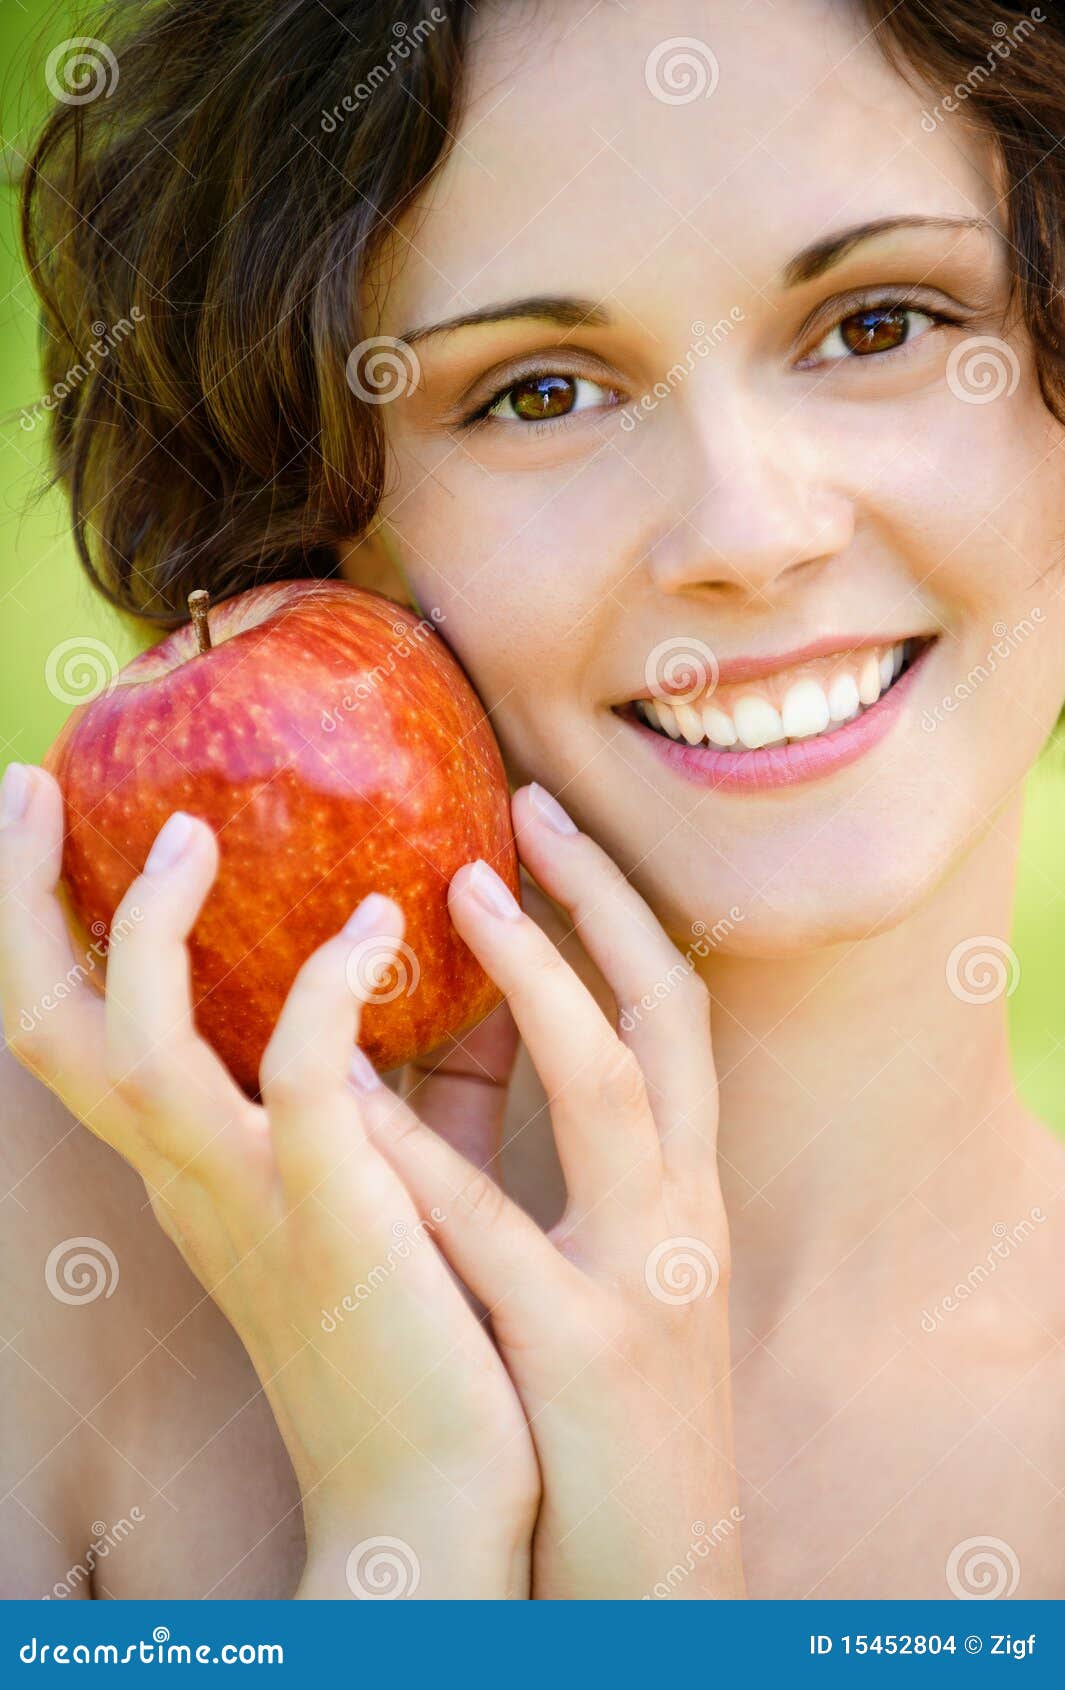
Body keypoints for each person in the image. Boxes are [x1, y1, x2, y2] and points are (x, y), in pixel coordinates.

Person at [2, 0, 1063, 1599]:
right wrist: (407, 1532)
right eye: (540, 392)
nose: (746, 527)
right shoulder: (50, 1240)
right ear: (318, 531)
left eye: (877, 321)